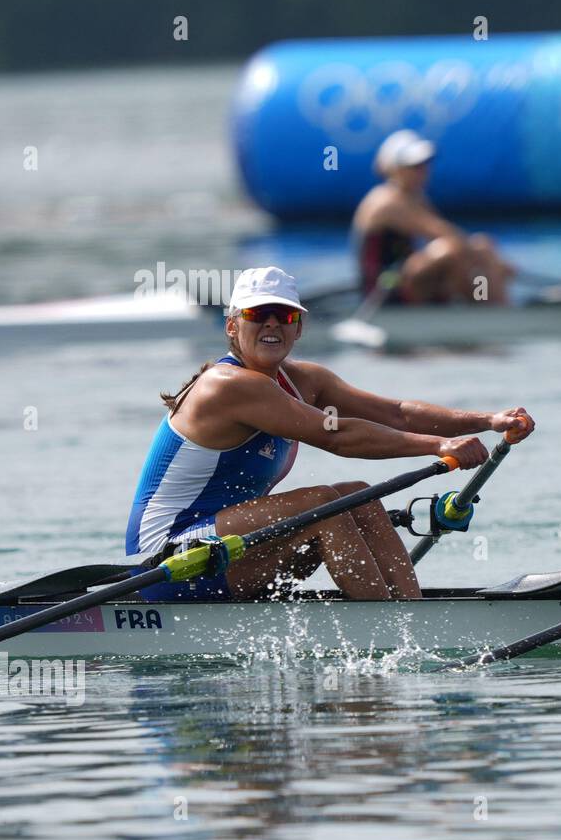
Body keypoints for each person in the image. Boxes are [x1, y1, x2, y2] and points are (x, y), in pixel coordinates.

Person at [125, 266, 534, 601]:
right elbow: (337, 437)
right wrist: (440, 447)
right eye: (256, 315)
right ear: (232, 326)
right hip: (166, 559)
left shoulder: (304, 380)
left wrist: (488, 420)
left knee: (358, 495)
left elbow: (396, 412)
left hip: (225, 551)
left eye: (283, 316)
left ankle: (409, 613)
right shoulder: (226, 384)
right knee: (325, 503)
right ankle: (390, 630)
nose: (271, 324)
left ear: (298, 328)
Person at [352, 130, 514, 304]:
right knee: (452, 250)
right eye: (414, 166)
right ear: (393, 169)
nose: (422, 171)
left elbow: (454, 238)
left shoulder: (417, 197)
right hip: (383, 287)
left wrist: (483, 255)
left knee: (477, 247)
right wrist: (490, 260)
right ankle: (490, 307)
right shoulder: (385, 202)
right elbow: (445, 234)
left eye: (424, 164)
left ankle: (487, 303)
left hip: (404, 278)